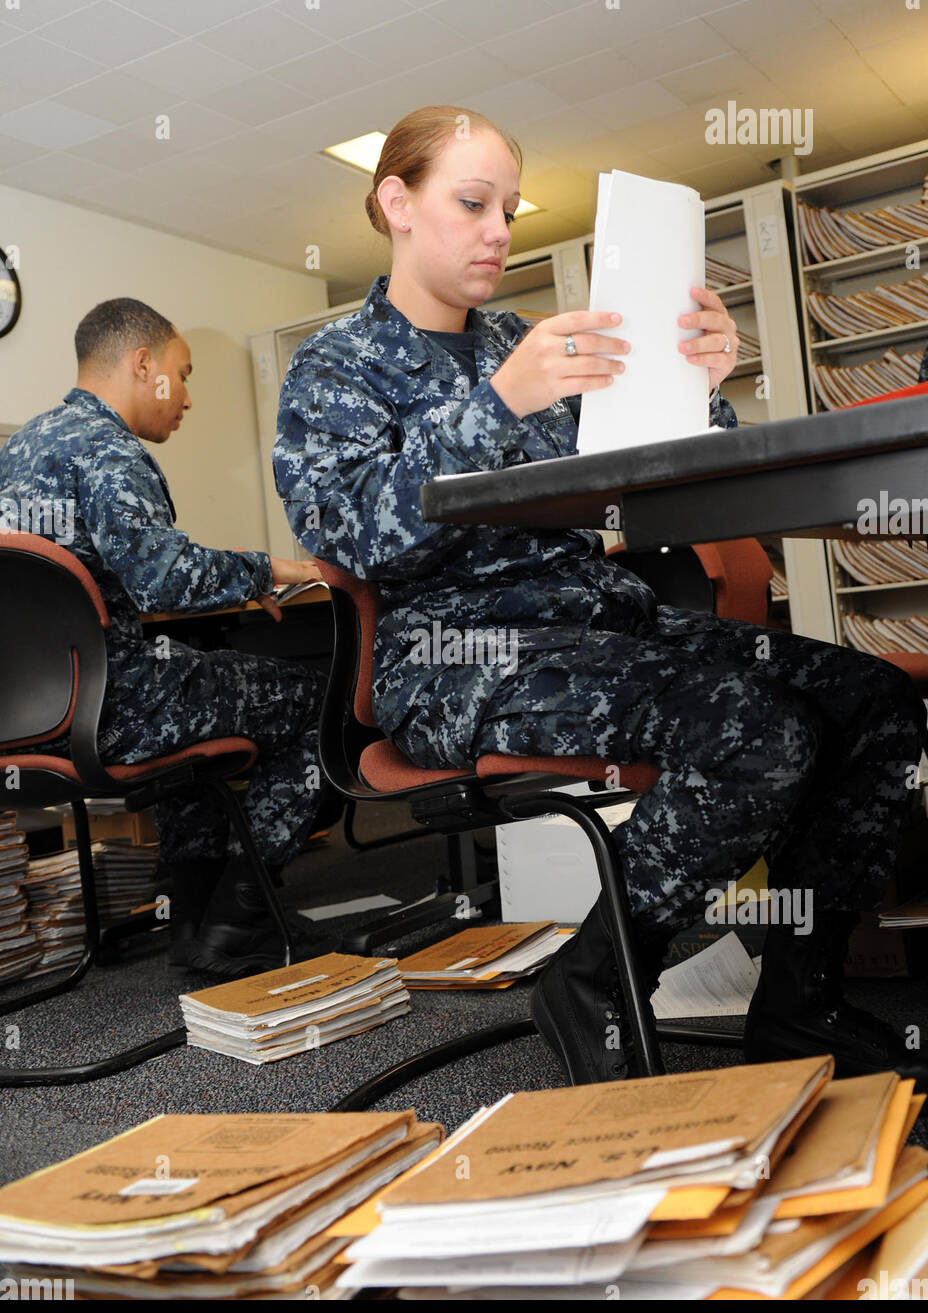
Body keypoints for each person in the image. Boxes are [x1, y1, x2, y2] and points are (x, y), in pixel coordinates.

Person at [273, 105, 928, 1089]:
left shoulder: (528, 345)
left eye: (507, 204)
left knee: (877, 703)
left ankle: (800, 997)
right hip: (460, 653)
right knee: (759, 730)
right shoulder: (337, 368)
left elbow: (650, 476)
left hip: (598, 625)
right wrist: (496, 404)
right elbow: (363, 537)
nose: (499, 227)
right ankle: (592, 979)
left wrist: (702, 382)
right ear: (395, 203)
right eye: (471, 202)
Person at [0, 298, 338, 980]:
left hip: (30, 719)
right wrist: (270, 569)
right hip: (114, 709)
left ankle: (192, 921)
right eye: (183, 375)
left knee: (197, 696)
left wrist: (231, 578)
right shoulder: (110, 451)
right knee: (321, 703)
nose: (186, 398)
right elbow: (163, 580)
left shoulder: (19, 449)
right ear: (142, 364)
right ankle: (240, 918)